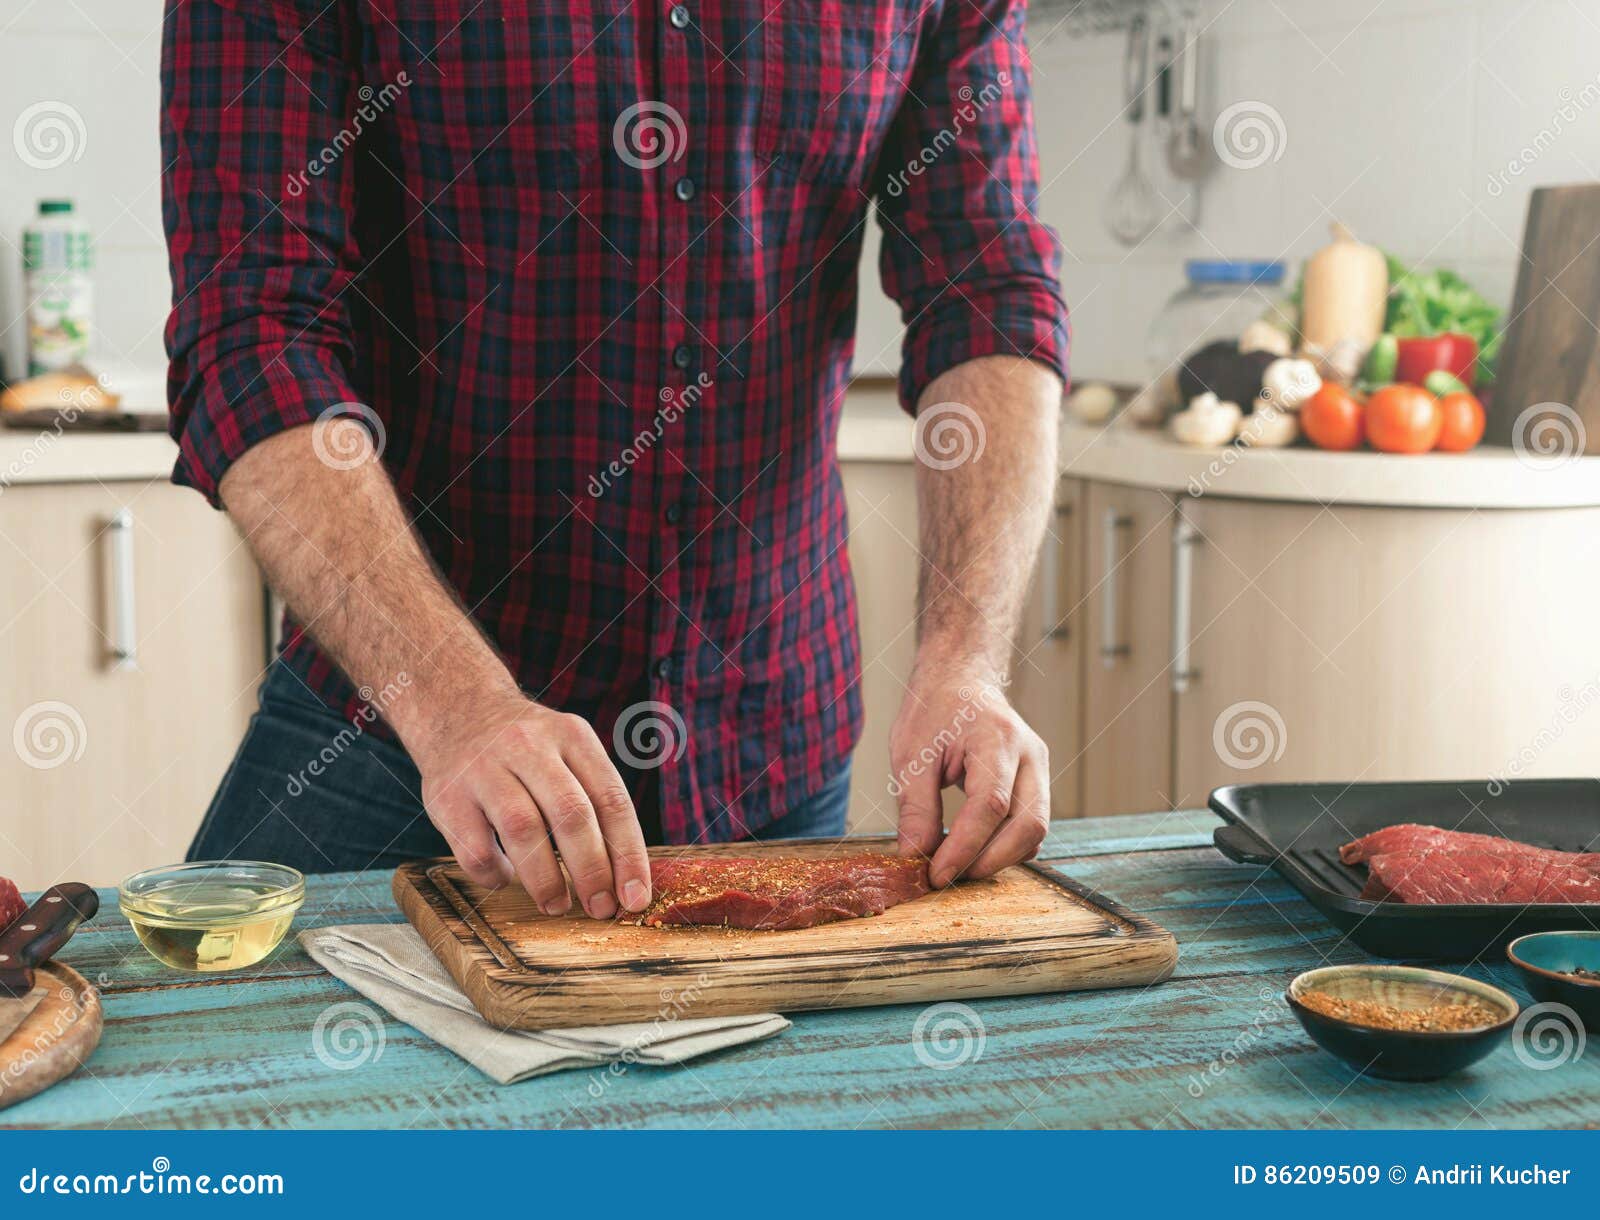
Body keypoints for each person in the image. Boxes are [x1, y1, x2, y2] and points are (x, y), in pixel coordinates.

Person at [163, 0, 1069, 920]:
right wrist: (457, 705)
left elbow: (987, 290)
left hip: (768, 741)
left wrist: (967, 660)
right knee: (202, 1045)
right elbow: (250, 334)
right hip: (397, 740)